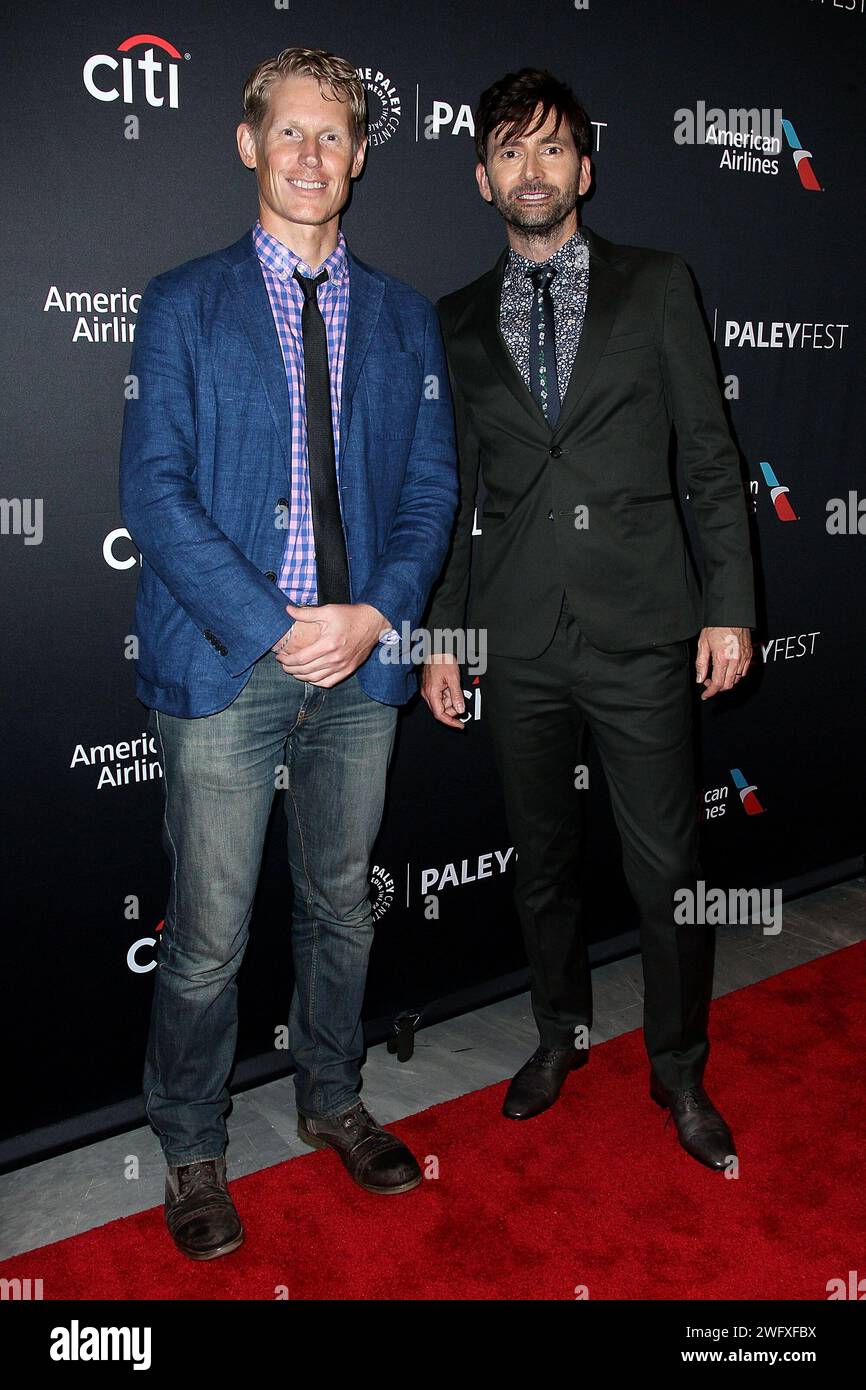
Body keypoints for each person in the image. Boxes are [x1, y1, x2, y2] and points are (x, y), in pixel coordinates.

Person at [119, 46, 457, 1260]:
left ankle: (331, 1098)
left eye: (336, 136)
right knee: (207, 931)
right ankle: (192, 1144)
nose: (313, 155)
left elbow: (428, 490)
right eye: (291, 133)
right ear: (248, 142)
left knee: (339, 910)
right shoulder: (179, 304)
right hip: (227, 662)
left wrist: (375, 616)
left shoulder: (407, 318)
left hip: (361, 667)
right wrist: (277, 625)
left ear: (362, 157)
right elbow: (155, 498)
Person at [421, 67, 756, 1172]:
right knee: (541, 865)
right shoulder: (455, 319)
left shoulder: (657, 284)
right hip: (516, 637)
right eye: (510, 151)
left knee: (666, 868)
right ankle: (556, 1036)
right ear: (481, 176)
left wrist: (728, 606)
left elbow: (709, 459)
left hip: (642, 628)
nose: (532, 169)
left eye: (552, 149)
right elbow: (458, 493)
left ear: (585, 168)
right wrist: (448, 639)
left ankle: (676, 1070)